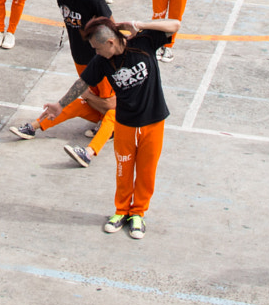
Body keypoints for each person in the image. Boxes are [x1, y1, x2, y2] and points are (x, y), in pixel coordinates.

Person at [42, 15, 181, 239]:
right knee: (123, 171)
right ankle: (121, 211)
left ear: (110, 42)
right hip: (125, 124)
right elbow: (83, 83)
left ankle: (138, 213)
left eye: (97, 48)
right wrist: (60, 105)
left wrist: (139, 25)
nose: (95, 53)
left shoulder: (144, 42)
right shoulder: (102, 62)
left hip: (153, 121)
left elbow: (175, 25)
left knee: (146, 171)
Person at [9, 0, 115, 169]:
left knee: (110, 108)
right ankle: (35, 126)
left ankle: (90, 149)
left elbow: (111, 26)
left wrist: (106, 58)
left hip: (98, 58)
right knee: (85, 101)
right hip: (80, 57)